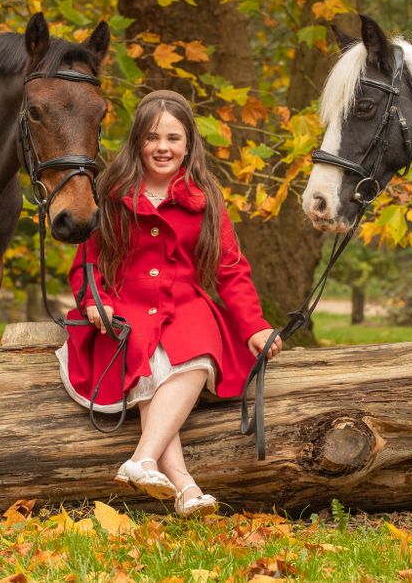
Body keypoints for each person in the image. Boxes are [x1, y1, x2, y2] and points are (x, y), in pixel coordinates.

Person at [56, 90, 283, 517]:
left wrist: (254, 325)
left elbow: (230, 269)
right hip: (125, 303)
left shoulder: (207, 198)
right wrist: (95, 301)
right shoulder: (110, 192)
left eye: (174, 138)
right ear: (137, 142)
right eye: (152, 137)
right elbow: (87, 264)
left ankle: (143, 459)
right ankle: (184, 485)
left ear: (189, 144)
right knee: (145, 358)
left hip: (185, 301)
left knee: (197, 352)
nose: (163, 147)